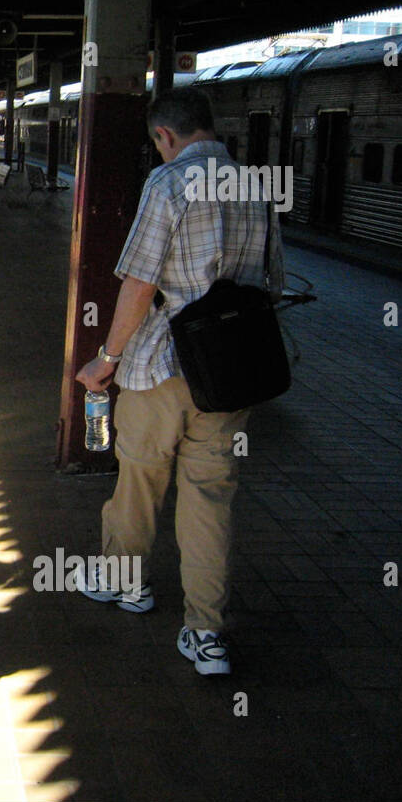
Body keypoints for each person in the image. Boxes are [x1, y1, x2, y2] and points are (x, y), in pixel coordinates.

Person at [74, 87, 283, 676]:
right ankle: (205, 633)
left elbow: (139, 284)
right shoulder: (255, 185)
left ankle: (126, 585)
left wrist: (107, 357)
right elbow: (272, 282)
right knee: (210, 499)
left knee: (139, 478)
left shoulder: (166, 185)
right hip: (228, 375)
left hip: (161, 367)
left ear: (164, 136)